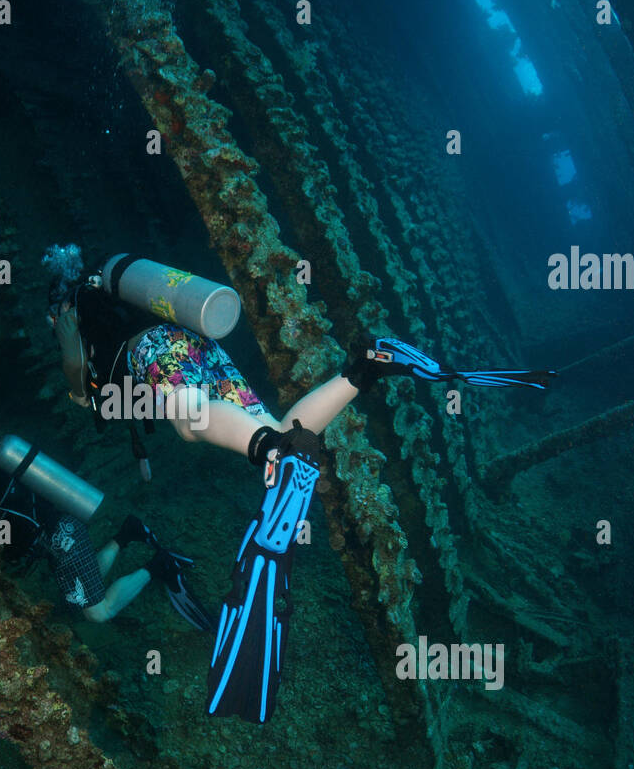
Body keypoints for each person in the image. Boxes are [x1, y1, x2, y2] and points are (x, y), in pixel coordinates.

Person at [42, 243, 554, 722]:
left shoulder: (73, 319)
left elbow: (84, 386)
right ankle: (366, 369)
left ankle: (269, 449)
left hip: (154, 351)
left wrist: (68, 346)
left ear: (57, 305)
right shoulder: (110, 291)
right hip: (192, 340)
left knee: (192, 423)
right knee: (280, 428)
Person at [0, 447, 210, 629]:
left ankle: (159, 565)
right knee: (83, 593)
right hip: (62, 533)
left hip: (63, 540)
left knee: (97, 612)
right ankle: (127, 533)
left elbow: (7, 537)